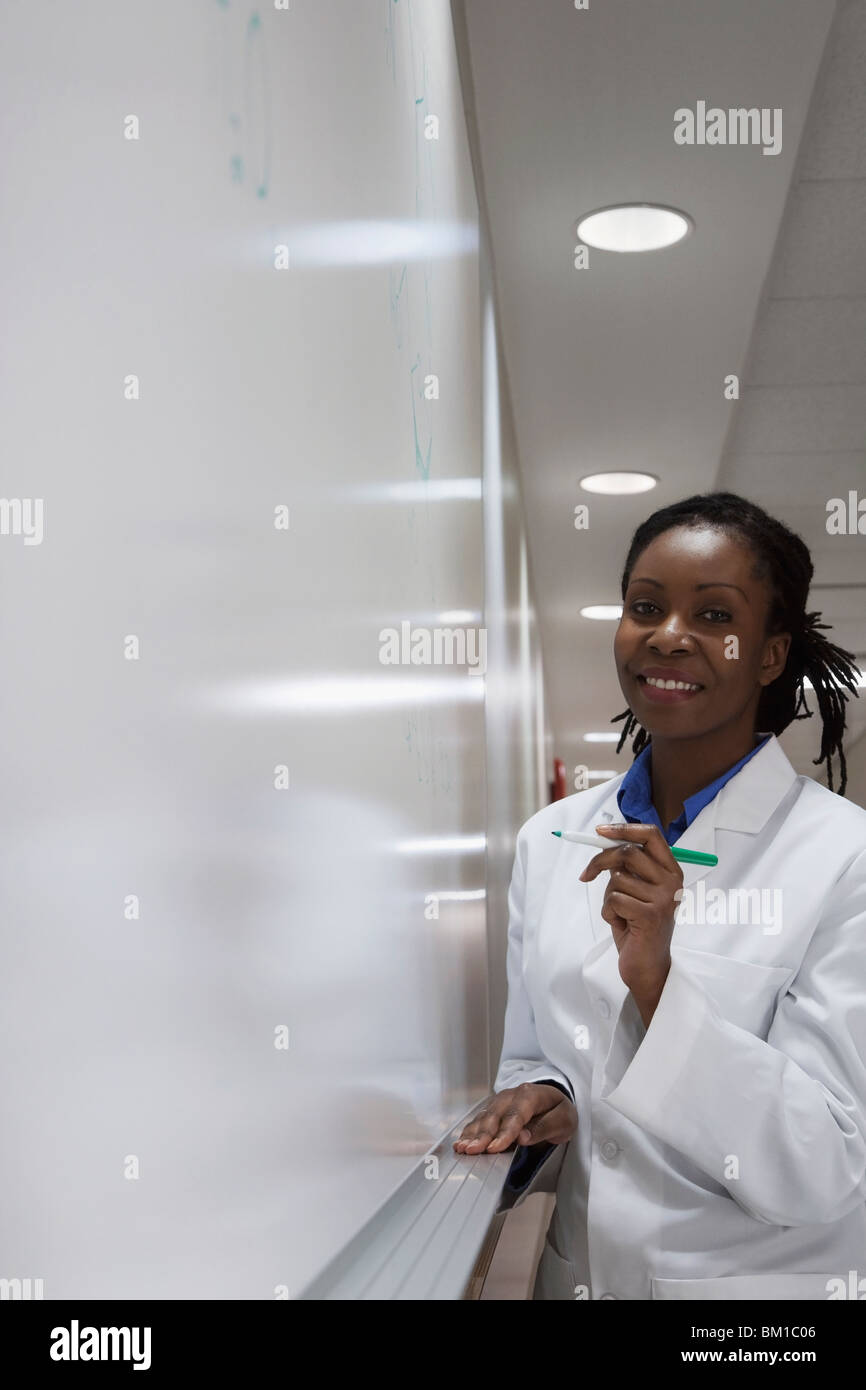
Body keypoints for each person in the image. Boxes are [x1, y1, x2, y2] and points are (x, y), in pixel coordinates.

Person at [454, 492, 866, 1301]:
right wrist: (549, 1095)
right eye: (645, 606)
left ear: (771, 654)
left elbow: (827, 1163)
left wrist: (660, 986)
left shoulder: (843, 856)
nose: (668, 635)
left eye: (715, 615)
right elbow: (539, 1051)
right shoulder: (551, 841)